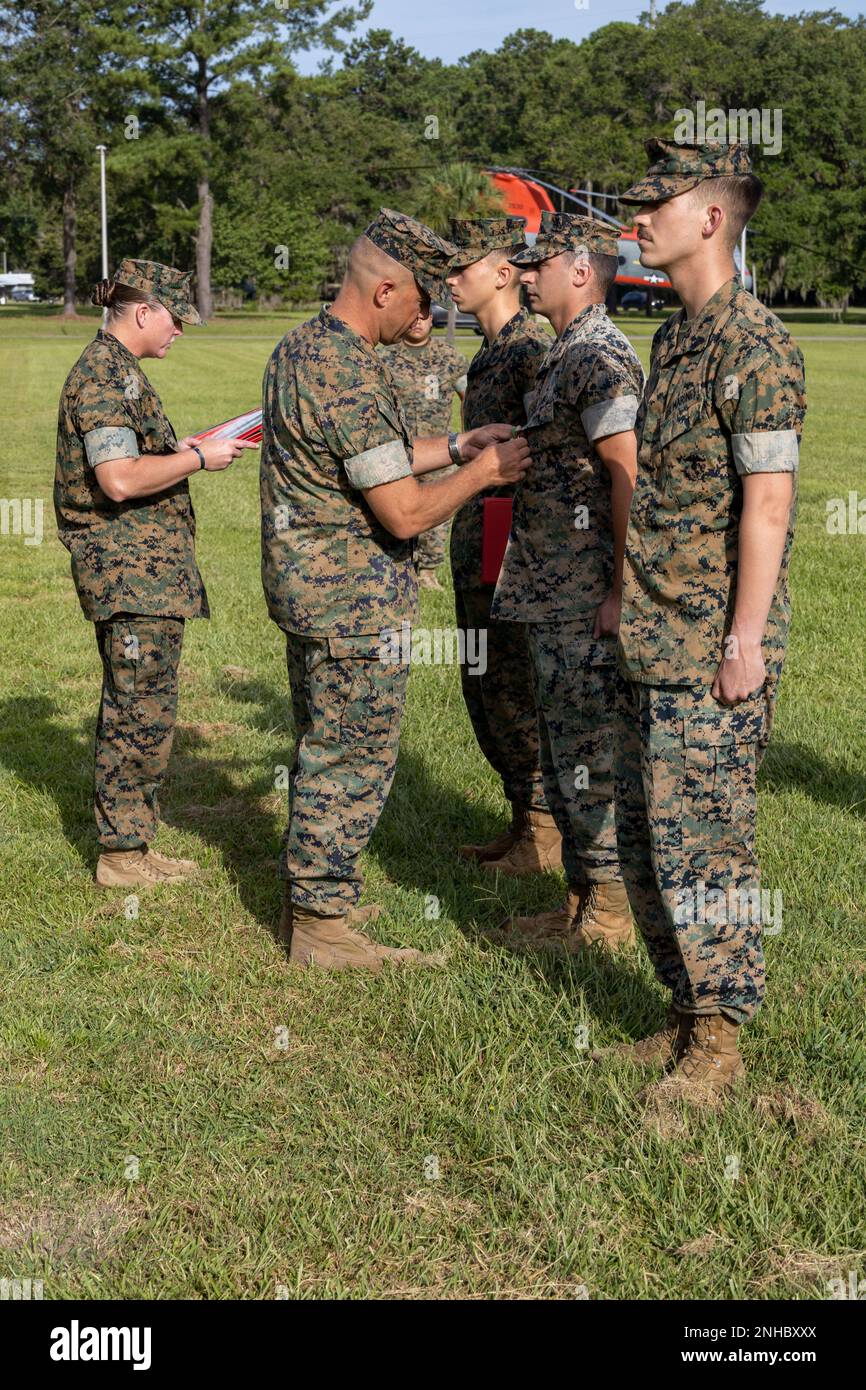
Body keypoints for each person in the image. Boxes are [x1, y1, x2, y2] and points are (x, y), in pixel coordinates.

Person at [260, 209, 530, 972]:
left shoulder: (304, 346)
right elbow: (404, 512)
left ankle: (319, 895)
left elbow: (369, 455)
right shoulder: (346, 369)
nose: (425, 316)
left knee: (322, 744)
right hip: (352, 602)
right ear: (385, 291)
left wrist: (456, 444)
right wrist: (484, 472)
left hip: (312, 591)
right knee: (351, 758)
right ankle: (320, 926)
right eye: (420, 299)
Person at [597, 139, 806, 1105]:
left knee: (707, 846)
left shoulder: (755, 344)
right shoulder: (675, 339)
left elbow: (769, 504)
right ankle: (683, 1014)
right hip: (654, 633)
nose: (636, 221)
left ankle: (719, 1046)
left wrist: (745, 640)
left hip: (711, 644)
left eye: (657, 205)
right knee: (648, 838)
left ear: (712, 218)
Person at [54, 260, 256, 888]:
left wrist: (185, 448)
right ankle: (122, 855)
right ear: (143, 312)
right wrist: (197, 458)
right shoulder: (105, 376)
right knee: (137, 709)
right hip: (130, 574)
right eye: (175, 319)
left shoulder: (118, 371)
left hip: (144, 572)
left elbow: (130, 459)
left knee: (144, 705)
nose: (180, 331)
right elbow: (118, 479)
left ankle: (131, 845)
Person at [495, 212, 645, 949]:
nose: (526, 276)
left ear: (581, 271)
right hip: (553, 593)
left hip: (584, 595)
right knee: (564, 753)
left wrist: (620, 589)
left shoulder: (598, 357)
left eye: (540, 265)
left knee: (589, 753)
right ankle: (581, 900)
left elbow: (626, 474)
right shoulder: (565, 351)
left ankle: (609, 914)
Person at [444, 217, 560, 876]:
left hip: (511, 544)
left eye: (462, 267)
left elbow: (547, 456)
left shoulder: (528, 349)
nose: (450, 280)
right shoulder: (488, 353)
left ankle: (544, 834)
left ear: (503, 272)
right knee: (485, 683)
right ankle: (522, 821)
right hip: (482, 539)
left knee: (513, 684)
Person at [378, 309, 467, 589]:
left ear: (432, 320)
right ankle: (396, 566)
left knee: (437, 510)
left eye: (424, 316)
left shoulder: (450, 358)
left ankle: (428, 570)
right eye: (413, 316)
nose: (418, 321)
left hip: (439, 450)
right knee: (393, 508)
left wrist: (466, 438)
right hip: (397, 452)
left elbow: (468, 397)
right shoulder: (384, 358)